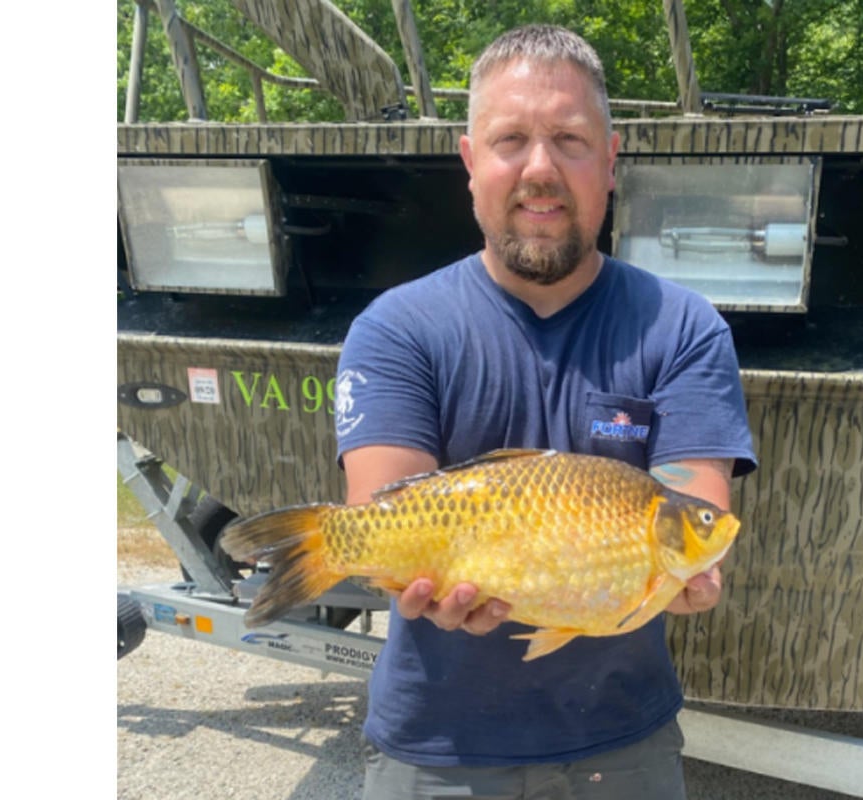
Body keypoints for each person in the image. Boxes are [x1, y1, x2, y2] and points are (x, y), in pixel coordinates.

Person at [333, 23, 757, 799]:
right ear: (469, 162)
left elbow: (696, 503)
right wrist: (406, 575)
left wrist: (694, 569)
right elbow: (381, 508)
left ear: (610, 157)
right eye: (510, 139)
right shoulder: (397, 326)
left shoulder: (683, 326)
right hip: (436, 745)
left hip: (623, 741)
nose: (539, 168)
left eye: (569, 138)